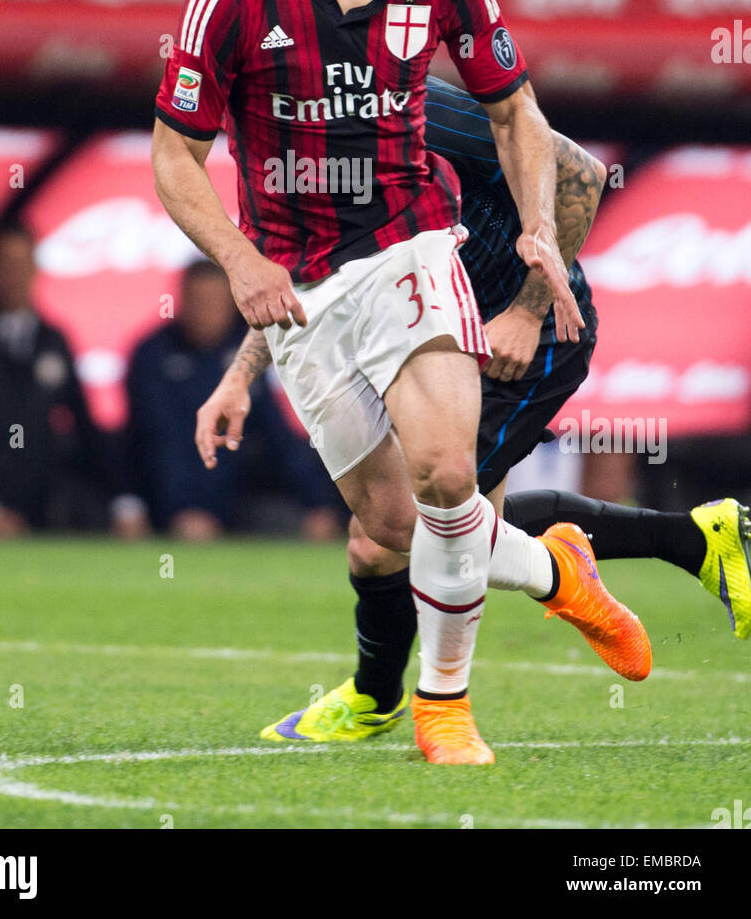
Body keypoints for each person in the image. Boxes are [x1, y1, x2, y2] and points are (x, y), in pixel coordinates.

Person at [151, 0, 649, 766]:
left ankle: (442, 706)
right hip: (305, 295)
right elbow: (174, 156)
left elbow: (517, 118)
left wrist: (538, 254)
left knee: (447, 473)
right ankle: (557, 577)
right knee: (386, 528)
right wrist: (243, 282)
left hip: (417, 254)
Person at [197, 78, 751, 743]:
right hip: (422, 334)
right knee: (422, 527)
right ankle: (688, 540)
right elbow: (306, 273)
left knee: (397, 531)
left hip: (523, 336)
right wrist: (239, 378)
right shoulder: (295, 160)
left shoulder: (412, 106)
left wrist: (525, 310)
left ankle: (391, 700)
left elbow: (582, 172)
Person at [0, 223, 142, 536]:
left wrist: (123, 500)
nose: (15, 276)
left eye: (23, 264)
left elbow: (83, 424)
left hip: (42, 508)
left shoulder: (53, 340)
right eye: (5, 264)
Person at [127, 258, 341, 539]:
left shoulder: (248, 350)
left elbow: (277, 434)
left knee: (285, 520)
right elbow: (160, 443)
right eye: (199, 302)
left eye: (215, 303)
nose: (207, 313)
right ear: (182, 301)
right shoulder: (153, 355)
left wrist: (317, 503)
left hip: (243, 494)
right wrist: (184, 509)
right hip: (171, 502)